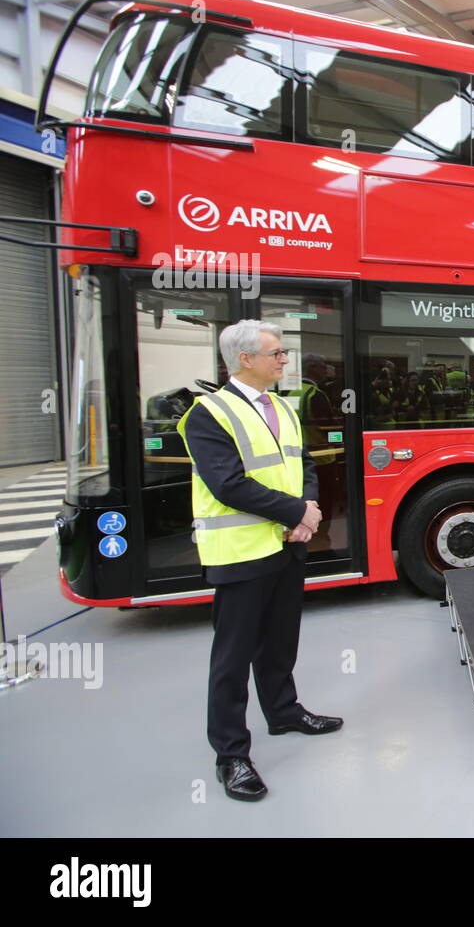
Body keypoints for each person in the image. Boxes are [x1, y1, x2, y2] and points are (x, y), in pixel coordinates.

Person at [177, 320, 341, 803]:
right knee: (233, 656)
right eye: (276, 353)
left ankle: (284, 711)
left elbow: (304, 464)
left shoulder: (284, 408)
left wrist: (307, 514)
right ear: (245, 359)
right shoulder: (208, 415)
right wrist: (295, 511)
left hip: (289, 544)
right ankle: (231, 754)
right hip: (242, 552)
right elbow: (228, 485)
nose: (284, 359)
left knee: (281, 639)